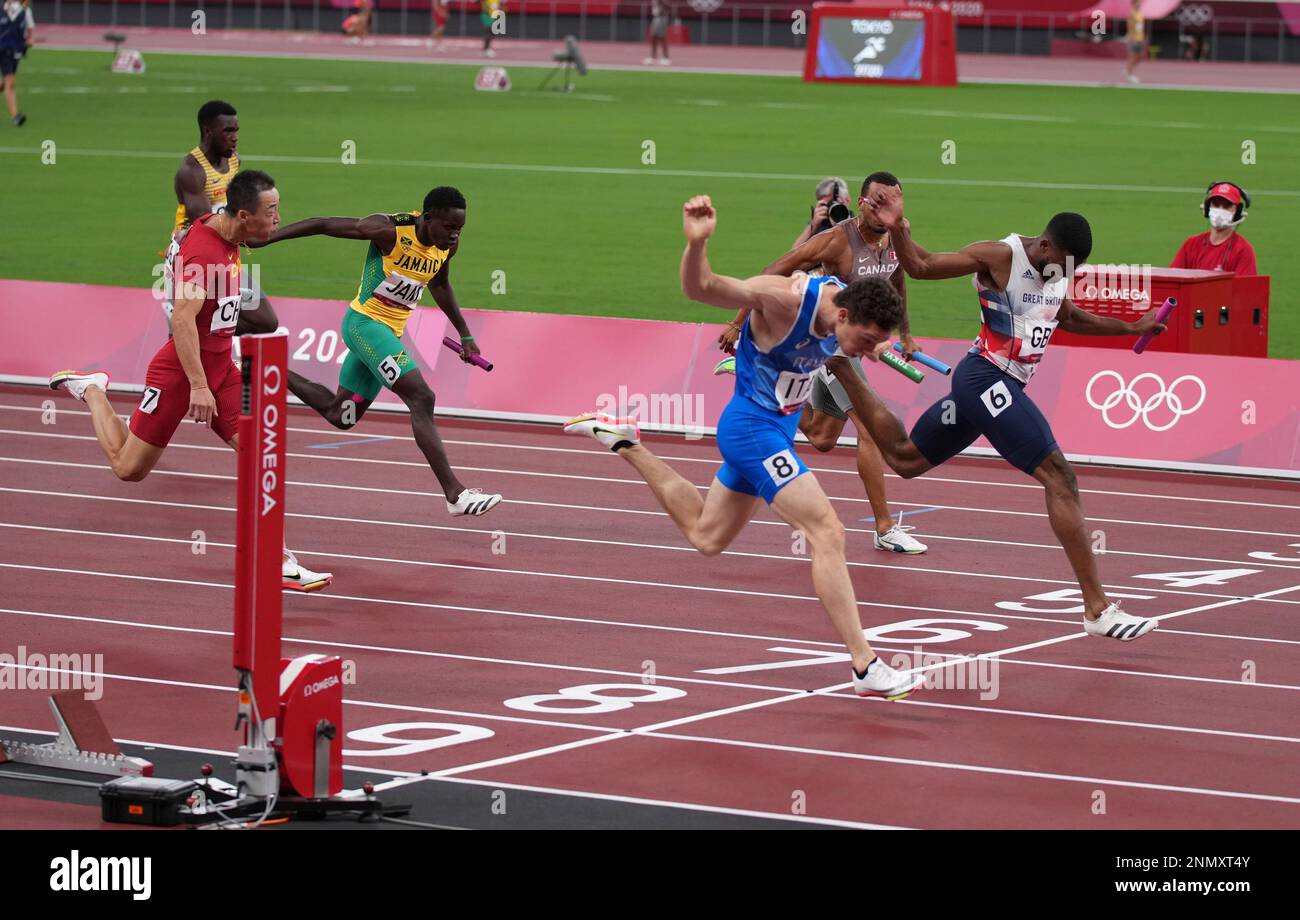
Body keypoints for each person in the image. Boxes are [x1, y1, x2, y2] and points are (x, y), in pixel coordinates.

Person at [565, 195, 923, 700]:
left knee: (706, 537)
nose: (863, 352)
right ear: (841, 315)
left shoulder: (850, 305)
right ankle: (865, 666)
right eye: (862, 341)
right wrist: (698, 245)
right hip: (750, 430)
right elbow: (703, 288)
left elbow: (866, 320)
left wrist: (876, 340)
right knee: (827, 531)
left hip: (775, 431)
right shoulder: (782, 301)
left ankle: (624, 441)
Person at [832, 182, 1167, 641]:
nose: (1061, 274)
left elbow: (1067, 317)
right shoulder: (999, 257)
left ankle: (839, 370)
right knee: (1060, 476)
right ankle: (1098, 609)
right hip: (985, 378)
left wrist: (1133, 326)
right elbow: (922, 266)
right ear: (1044, 244)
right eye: (1058, 263)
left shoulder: (1059, 267)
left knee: (906, 460)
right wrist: (900, 229)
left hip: (996, 386)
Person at [49, 170, 333, 592]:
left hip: (223, 366)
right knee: (129, 469)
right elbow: (182, 319)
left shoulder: (227, 232)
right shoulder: (206, 255)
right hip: (183, 372)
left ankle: (278, 559)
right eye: (270, 212)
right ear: (241, 215)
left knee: (260, 454)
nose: (277, 219)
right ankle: (91, 389)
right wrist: (199, 386)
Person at [250, 187, 503, 518]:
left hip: (387, 332)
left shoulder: (446, 246)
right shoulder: (389, 230)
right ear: (428, 218)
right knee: (421, 397)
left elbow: (439, 284)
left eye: (460, 229)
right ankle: (455, 494)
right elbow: (325, 224)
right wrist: (270, 238)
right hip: (365, 325)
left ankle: (265, 366)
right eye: (450, 228)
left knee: (342, 415)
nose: (455, 236)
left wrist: (465, 334)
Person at [718, 172, 927, 555]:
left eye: (892, 201)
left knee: (822, 437)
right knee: (869, 429)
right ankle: (884, 527)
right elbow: (771, 272)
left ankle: (760, 374)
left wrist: (906, 334)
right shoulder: (836, 241)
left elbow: (899, 280)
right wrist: (737, 321)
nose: (885, 209)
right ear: (861, 203)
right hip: (831, 344)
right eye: (876, 201)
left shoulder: (899, 235)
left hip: (845, 345)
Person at [167, 100, 277, 337]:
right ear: (208, 131)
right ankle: (188, 335)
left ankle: (200, 333)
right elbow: (207, 223)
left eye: (236, 130)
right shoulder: (191, 170)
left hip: (225, 249)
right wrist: (254, 229)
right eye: (228, 131)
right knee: (186, 325)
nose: (235, 137)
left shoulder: (233, 160)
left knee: (266, 321)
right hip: (193, 257)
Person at [1170, 181, 1257, 275]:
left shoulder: (1243, 250)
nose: (1220, 209)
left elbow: (1246, 288)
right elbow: (1172, 280)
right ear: (1207, 208)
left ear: (1237, 212)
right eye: (1216, 204)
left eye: (1227, 206)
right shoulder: (1191, 245)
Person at [0, 0, 33, 127]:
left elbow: (30, 31)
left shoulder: (26, 11)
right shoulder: (2, 8)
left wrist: (29, 40)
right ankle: (16, 116)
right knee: (10, 83)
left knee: (5, 84)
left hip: (16, 51)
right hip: (3, 50)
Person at [1124, 0, 1146, 84]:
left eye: (1140, 3)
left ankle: (1127, 70)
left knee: (1140, 56)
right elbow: (1130, 27)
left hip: (1140, 38)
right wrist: (1132, 39)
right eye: (1138, 3)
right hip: (1134, 39)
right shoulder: (1131, 14)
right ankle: (1129, 74)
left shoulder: (1140, 13)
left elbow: (1140, 27)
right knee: (1132, 57)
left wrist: (1142, 38)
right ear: (1133, 4)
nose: (1139, 4)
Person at [646, 0, 670, 66]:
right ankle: (653, 57)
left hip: (662, 17)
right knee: (654, 37)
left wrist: (661, 2)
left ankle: (666, 58)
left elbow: (668, 5)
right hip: (656, 17)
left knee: (662, 37)